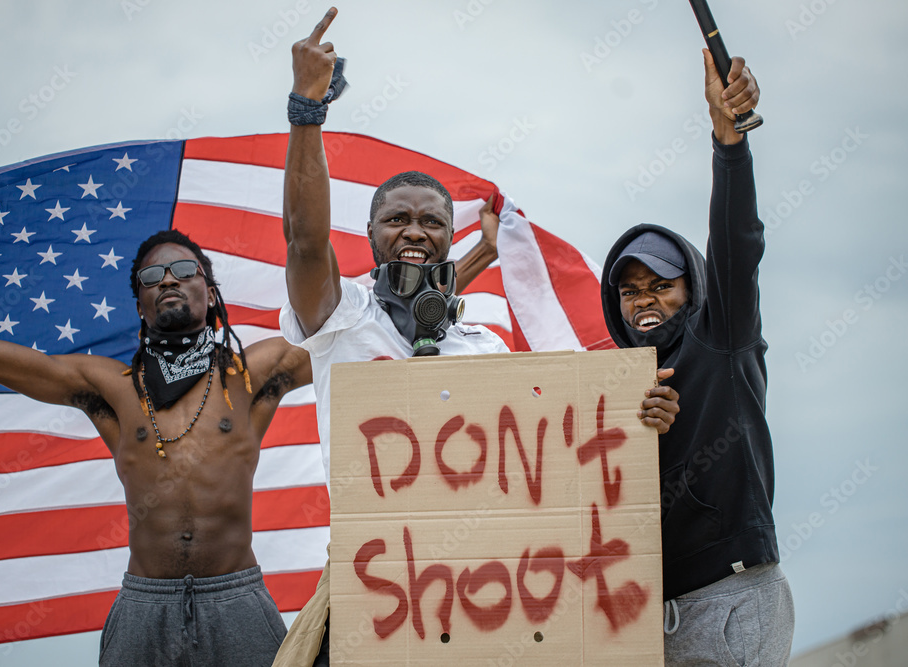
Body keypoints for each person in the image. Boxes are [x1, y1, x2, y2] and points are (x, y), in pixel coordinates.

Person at [273, 8, 682, 665]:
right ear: (373, 234)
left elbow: (556, 459)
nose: (413, 230)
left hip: (476, 600)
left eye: (430, 221)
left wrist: (638, 419)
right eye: (396, 218)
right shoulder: (339, 317)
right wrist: (306, 109)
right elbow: (302, 238)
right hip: (372, 591)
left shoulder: (484, 348)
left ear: (449, 233)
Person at [0, 229, 311, 666]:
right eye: (152, 275)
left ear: (211, 294)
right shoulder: (113, 387)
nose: (169, 280)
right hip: (145, 608)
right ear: (140, 304)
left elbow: (346, 340)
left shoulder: (249, 374)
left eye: (183, 270)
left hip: (237, 601)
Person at [599, 52, 795, 665]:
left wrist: (727, 138)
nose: (643, 301)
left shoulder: (722, 338)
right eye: (629, 292)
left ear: (695, 288)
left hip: (731, 596)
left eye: (660, 284)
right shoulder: (612, 389)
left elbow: (738, 240)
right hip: (645, 614)